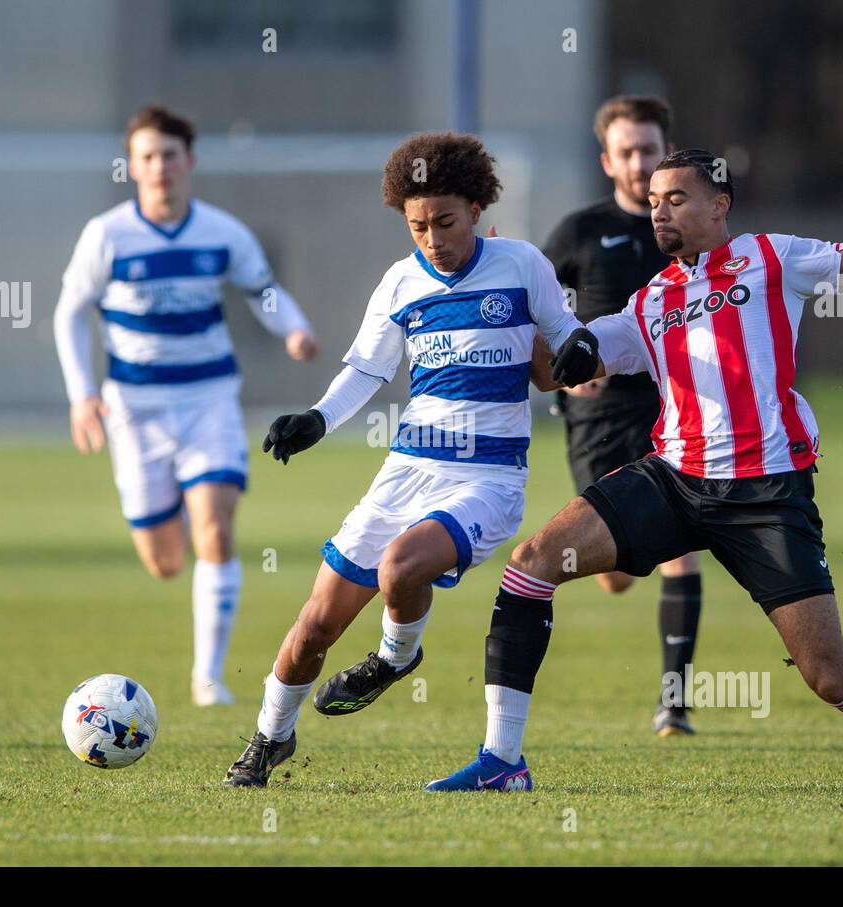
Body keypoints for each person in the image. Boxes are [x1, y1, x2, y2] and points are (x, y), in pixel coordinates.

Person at [427, 103, 843, 793]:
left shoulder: (776, 259)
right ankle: (503, 762)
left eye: (676, 199)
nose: (658, 212)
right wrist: (515, 300)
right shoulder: (651, 298)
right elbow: (570, 363)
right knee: (532, 564)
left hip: (767, 493)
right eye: (654, 202)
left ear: (720, 205)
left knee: (829, 677)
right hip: (674, 480)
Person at [224, 132, 599, 787]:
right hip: (405, 470)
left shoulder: (521, 265)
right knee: (314, 627)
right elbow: (366, 371)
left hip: (487, 479)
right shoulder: (400, 282)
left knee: (401, 567)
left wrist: (578, 353)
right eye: (416, 226)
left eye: (445, 222)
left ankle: (396, 658)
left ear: (478, 208)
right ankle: (268, 738)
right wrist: (317, 418)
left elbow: (568, 339)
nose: (432, 238)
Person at [53, 105, 319, 706]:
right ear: (132, 166)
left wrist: (293, 330)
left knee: (215, 530)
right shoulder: (107, 235)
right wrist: (81, 394)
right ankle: (164, 514)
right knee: (166, 561)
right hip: (135, 410)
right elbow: (70, 312)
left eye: (169, 155)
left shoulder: (221, 232)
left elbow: (264, 290)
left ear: (188, 162)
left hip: (209, 400)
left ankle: (209, 675)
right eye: (147, 156)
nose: (159, 167)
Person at [540, 94, 704, 736]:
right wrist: (560, 377)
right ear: (607, 160)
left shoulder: (693, 234)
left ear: (669, 153)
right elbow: (536, 309)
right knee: (613, 573)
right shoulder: (580, 232)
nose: (640, 163)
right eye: (627, 151)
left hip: (674, 417)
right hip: (596, 424)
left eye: (651, 150)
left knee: (681, 551)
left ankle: (674, 702)